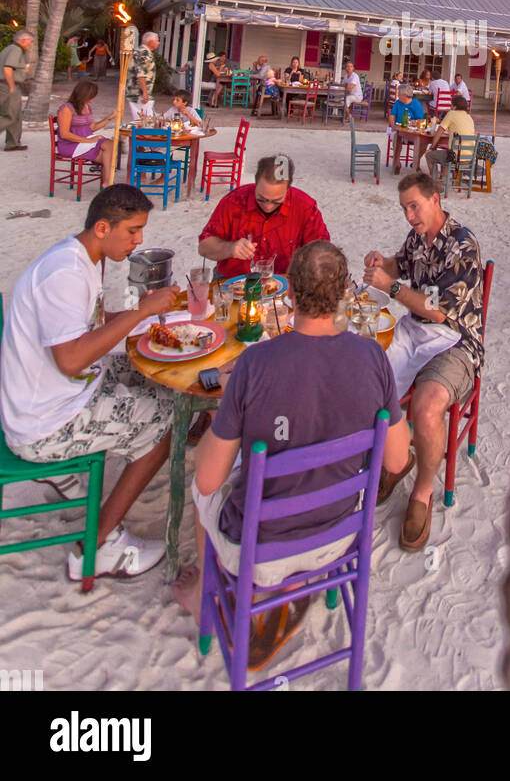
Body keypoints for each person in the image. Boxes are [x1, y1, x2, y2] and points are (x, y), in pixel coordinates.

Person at [171, 241, 411, 657]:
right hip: (339, 536)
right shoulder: (373, 357)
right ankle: (302, 580)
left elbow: (210, 480)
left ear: (291, 296)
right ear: (342, 296)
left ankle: (201, 594)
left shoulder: (254, 364)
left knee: (201, 487)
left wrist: (231, 405)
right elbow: (396, 460)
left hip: (259, 549)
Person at [0, 185, 179, 579]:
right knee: (164, 422)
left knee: (152, 371)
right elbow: (71, 359)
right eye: (132, 231)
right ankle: (100, 544)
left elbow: (91, 324)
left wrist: (142, 318)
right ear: (102, 227)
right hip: (41, 420)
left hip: (52, 392)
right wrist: (139, 312)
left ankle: (74, 467)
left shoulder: (81, 257)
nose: (139, 240)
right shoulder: (64, 274)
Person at [363, 172, 484, 553]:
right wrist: (387, 263)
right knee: (370, 379)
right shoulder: (418, 236)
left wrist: (392, 287)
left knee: (427, 406)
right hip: (415, 329)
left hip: (456, 339)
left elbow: (437, 312)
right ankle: (397, 459)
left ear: (436, 199)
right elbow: (405, 263)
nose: (409, 215)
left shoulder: (463, 245)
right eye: (404, 208)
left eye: (414, 206)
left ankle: (423, 491)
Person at [198, 154, 330, 280]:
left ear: (288, 189)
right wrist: (230, 248)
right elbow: (204, 247)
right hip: (233, 281)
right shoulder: (234, 201)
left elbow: (322, 253)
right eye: (261, 199)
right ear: (255, 183)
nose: (268, 206)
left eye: (276, 201)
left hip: (285, 283)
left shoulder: (305, 207)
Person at [55, 78, 118, 186]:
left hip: (86, 140)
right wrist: (88, 141)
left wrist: (110, 118)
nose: (92, 100)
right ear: (83, 95)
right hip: (71, 145)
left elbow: (92, 128)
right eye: (90, 97)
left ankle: (108, 182)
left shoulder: (87, 106)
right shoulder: (66, 109)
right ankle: (108, 182)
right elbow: (64, 134)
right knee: (109, 153)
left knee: (109, 149)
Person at [421, 95, 476, 177]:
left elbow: (439, 131)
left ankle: (435, 182)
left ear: (454, 106)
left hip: (454, 158)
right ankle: (444, 178)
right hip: (469, 158)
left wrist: (432, 148)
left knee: (429, 155)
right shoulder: (469, 117)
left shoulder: (452, 114)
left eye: (451, 105)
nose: (450, 107)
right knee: (446, 153)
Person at [0, 27, 35, 152]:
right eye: (30, 41)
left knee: (16, 116)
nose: (31, 44)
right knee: (10, 115)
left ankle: (12, 143)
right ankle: (12, 143)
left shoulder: (11, 49)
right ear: (23, 40)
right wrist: (11, 86)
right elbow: (8, 68)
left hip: (9, 84)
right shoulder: (15, 50)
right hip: (7, 85)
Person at [126, 31, 159, 122]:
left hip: (136, 92)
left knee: (144, 119)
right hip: (138, 93)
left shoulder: (141, 51)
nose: (158, 43)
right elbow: (141, 74)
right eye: (157, 40)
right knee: (145, 121)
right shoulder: (143, 53)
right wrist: (144, 93)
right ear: (150, 42)